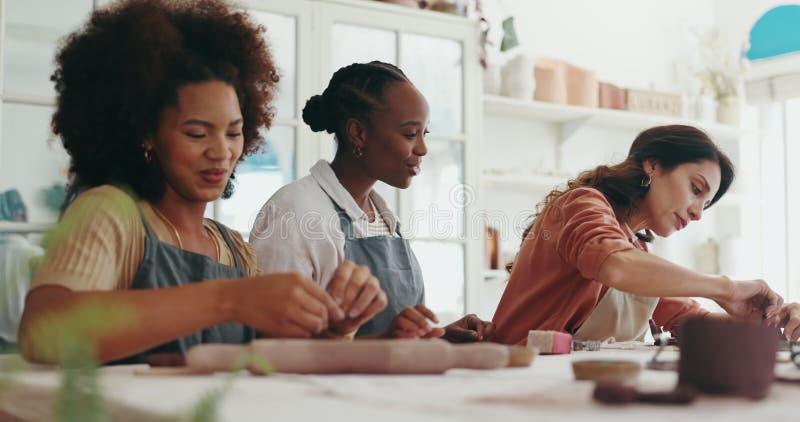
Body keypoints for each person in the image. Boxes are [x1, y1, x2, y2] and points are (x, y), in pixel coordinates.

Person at [18, 0, 385, 365]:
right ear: (146, 133)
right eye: (197, 133)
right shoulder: (110, 213)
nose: (221, 152)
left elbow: (269, 362)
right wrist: (227, 299)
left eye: (234, 132)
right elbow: (43, 331)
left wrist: (339, 328)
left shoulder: (232, 249)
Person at [250, 61, 493, 341]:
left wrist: (438, 335)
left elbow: (398, 334)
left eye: (424, 134)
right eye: (410, 134)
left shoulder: (384, 219)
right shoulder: (295, 211)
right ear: (358, 133)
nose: (424, 149)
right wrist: (384, 343)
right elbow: (272, 347)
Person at [491, 125, 786, 345]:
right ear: (654, 165)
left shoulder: (638, 254)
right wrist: (727, 289)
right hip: (509, 379)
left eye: (705, 205)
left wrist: (768, 321)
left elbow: (691, 321)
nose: (697, 213)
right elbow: (616, 265)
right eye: (696, 190)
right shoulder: (582, 204)